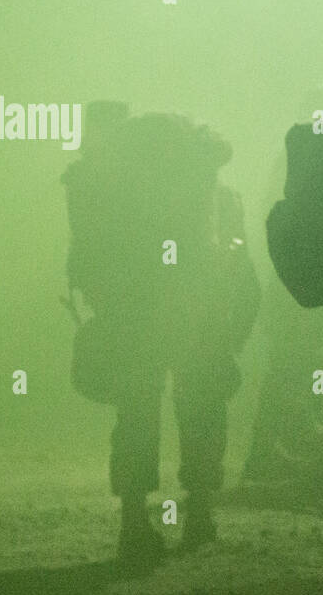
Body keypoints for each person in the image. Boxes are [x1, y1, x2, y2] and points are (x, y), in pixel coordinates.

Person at [63, 105, 260, 568]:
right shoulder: (219, 196)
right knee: (202, 406)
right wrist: (233, 329)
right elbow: (242, 274)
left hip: (134, 312)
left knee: (136, 410)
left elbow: (87, 262)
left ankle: (134, 521)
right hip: (199, 311)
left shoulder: (111, 195)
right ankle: (201, 514)